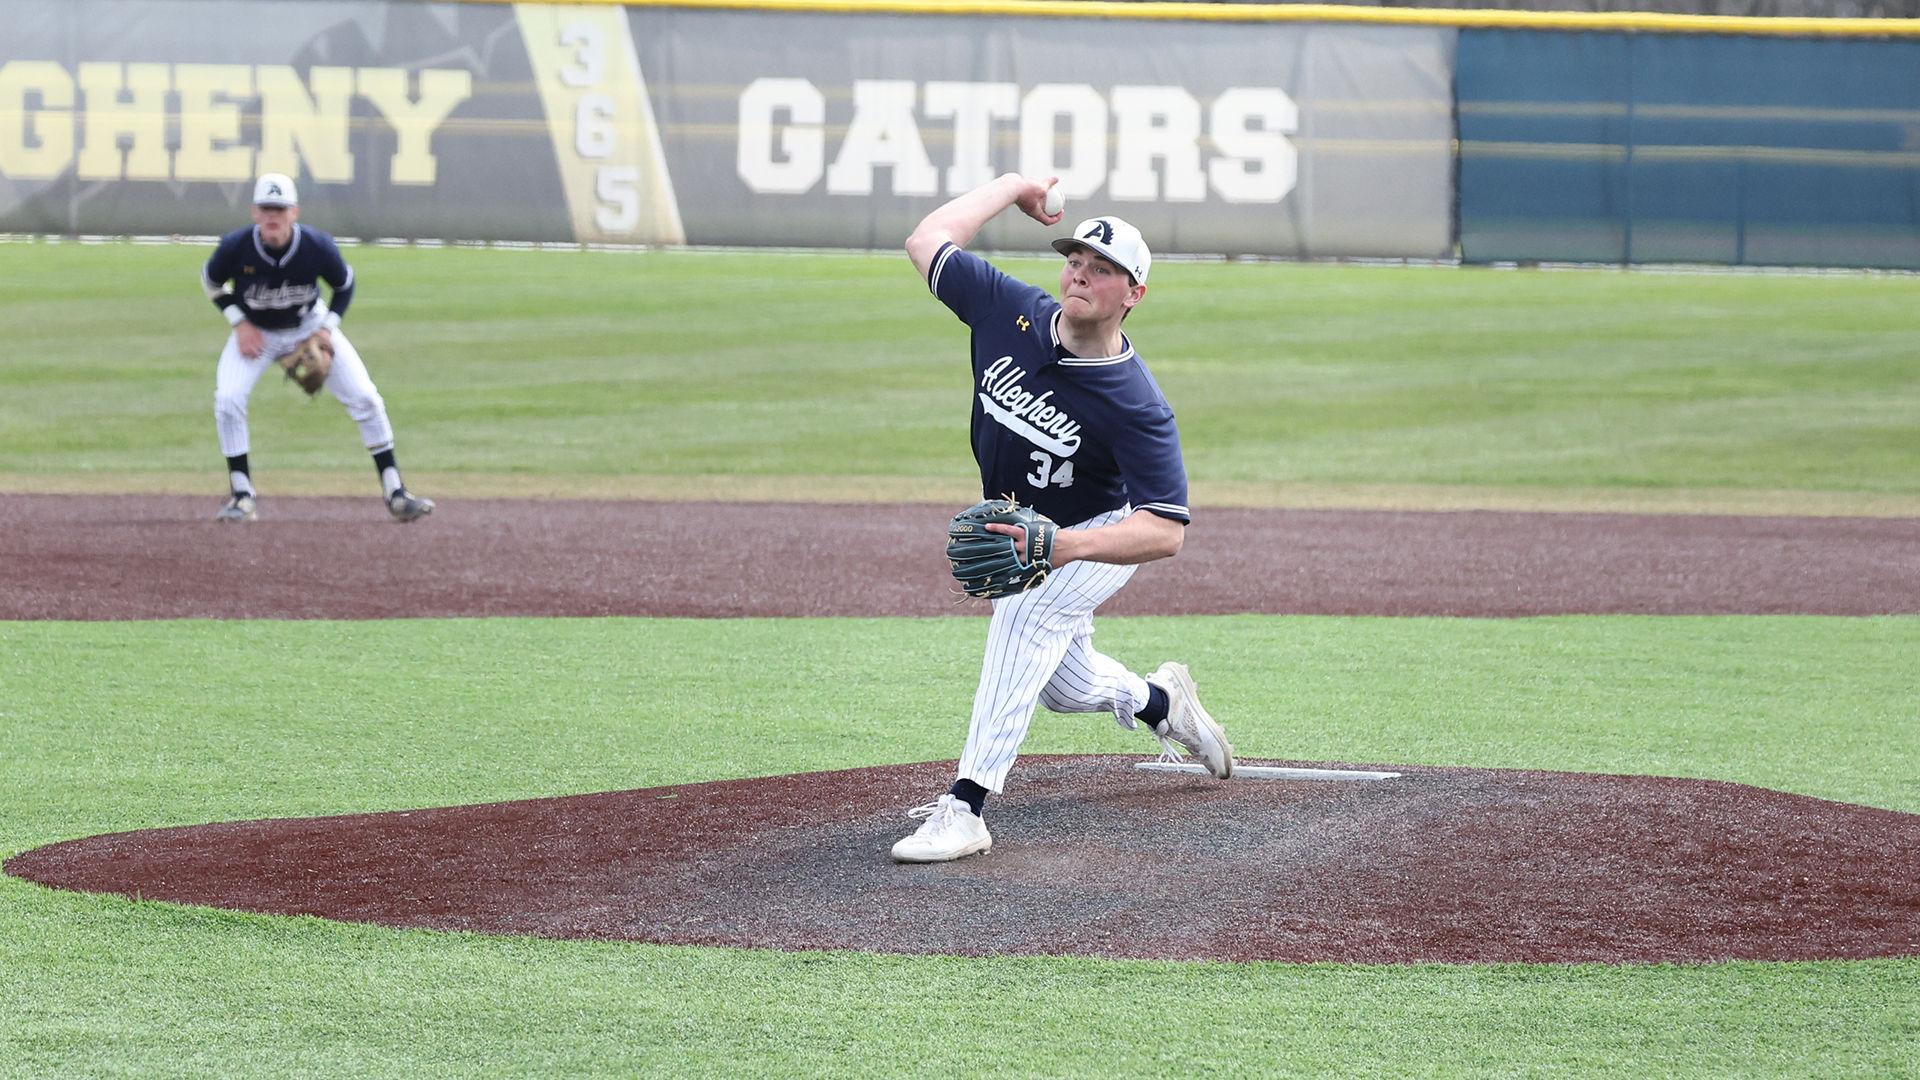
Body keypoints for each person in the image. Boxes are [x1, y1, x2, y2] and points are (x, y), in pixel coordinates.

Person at [892, 173, 1233, 863]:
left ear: (1133, 294)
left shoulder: (1136, 404)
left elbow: (1165, 530)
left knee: (1026, 614)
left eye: (1102, 269)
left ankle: (966, 807)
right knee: (1063, 685)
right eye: (1075, 260)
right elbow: (927, 239)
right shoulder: (1004, 309)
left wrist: (1063, 548)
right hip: (1031, 533)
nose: (1080, 274)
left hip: (1097, 534)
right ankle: (1162, 703)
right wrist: (1013, 186)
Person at [201, 173, 433, 523]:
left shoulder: (316, 246)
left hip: (309, 328)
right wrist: (240, 323)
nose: (273, 216)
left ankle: (396, 492)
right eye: (266, 208)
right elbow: (211, 282)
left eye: (280, 208)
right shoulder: (236, 247)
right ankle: (242, 494)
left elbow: (345, 287)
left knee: (366, 398)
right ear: (255, 212)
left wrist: (327, 329)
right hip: (258, 334)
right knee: (228, 399)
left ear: (294, 212)